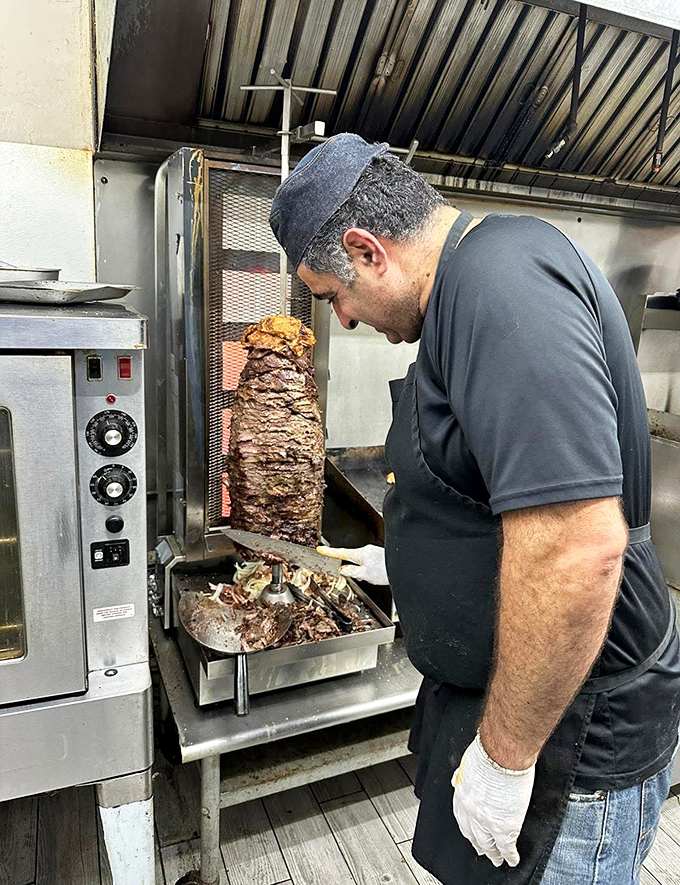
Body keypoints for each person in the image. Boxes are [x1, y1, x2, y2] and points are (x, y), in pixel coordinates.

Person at [269, 133, 680, 885]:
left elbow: (577, 548)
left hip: (570, 743)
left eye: (336, 299)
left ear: (366, 250)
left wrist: (503, 758)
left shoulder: (501, 285)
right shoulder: (470, 285)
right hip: (521, 712)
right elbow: (498, 498)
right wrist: (411, 562)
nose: (349, 321)